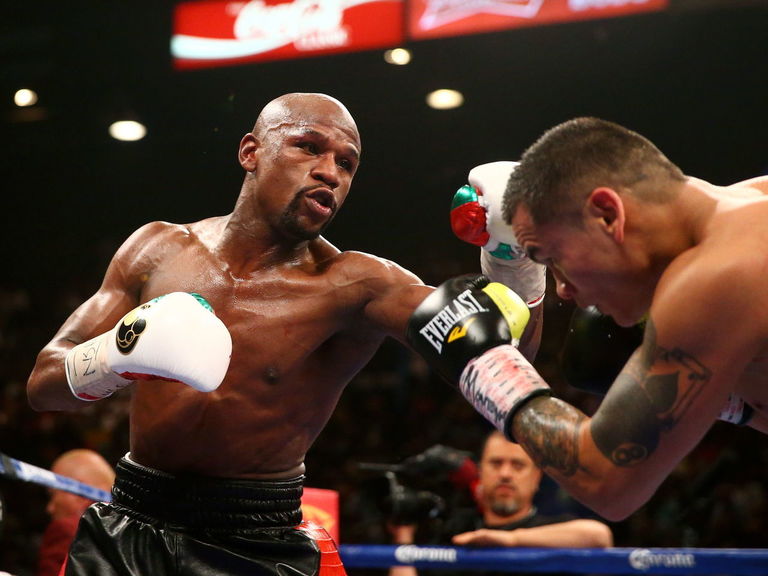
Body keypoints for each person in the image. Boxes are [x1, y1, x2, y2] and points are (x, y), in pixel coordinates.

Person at [26, 93, 541, 575]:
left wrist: (517, 268)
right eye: (309, 147)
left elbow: (505, 361)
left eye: (347, 163)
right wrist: (119, 353)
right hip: (128, 524)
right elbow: (44, 385)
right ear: (251, 151)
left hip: (253, 543)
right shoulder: (156, 248)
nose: (330, 172)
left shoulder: (358, 284)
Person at [412, 116, 768, 523]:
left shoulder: (720, 273)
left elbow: (609, 485)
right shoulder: (745, 219)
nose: (563, 290)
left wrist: (488, 367)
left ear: (606, 214)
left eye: (553, 260)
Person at [388, 430, 612, 576]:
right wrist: (403, 538)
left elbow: (598, 537)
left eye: (517, 465)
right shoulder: (456, 533)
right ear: (481, 472)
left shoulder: (551, 532)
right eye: (496, 464)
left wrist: (510, 539)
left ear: (536, 478)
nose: (505, 474)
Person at [37, 449, 115, 576]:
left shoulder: (67, 530)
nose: (50, 508)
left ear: (79, 493)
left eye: (53, 494)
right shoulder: (139, 530)